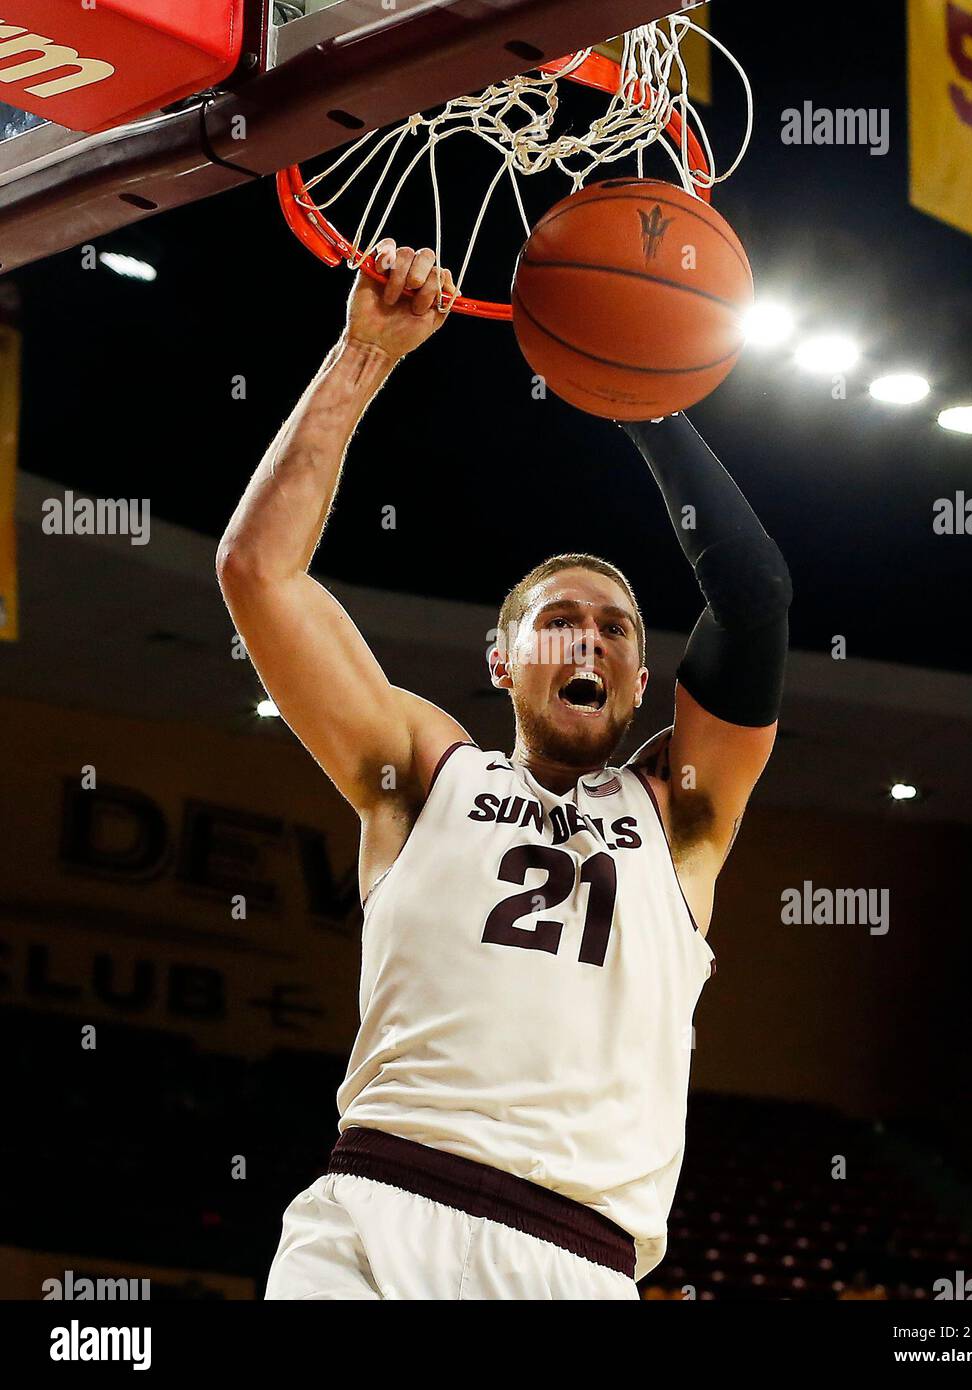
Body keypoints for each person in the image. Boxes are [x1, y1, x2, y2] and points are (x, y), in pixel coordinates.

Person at [217, 243, 791, 1300]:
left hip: (574, 1257)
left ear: (636, 673)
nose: (589, 643)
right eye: (559, 622)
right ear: (500, 659)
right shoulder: (419, 773)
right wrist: (363, 355)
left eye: (615, 629)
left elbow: (751, 597)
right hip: (375, 1212)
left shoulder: (680, 818)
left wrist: (639, 396)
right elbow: (258, 572)